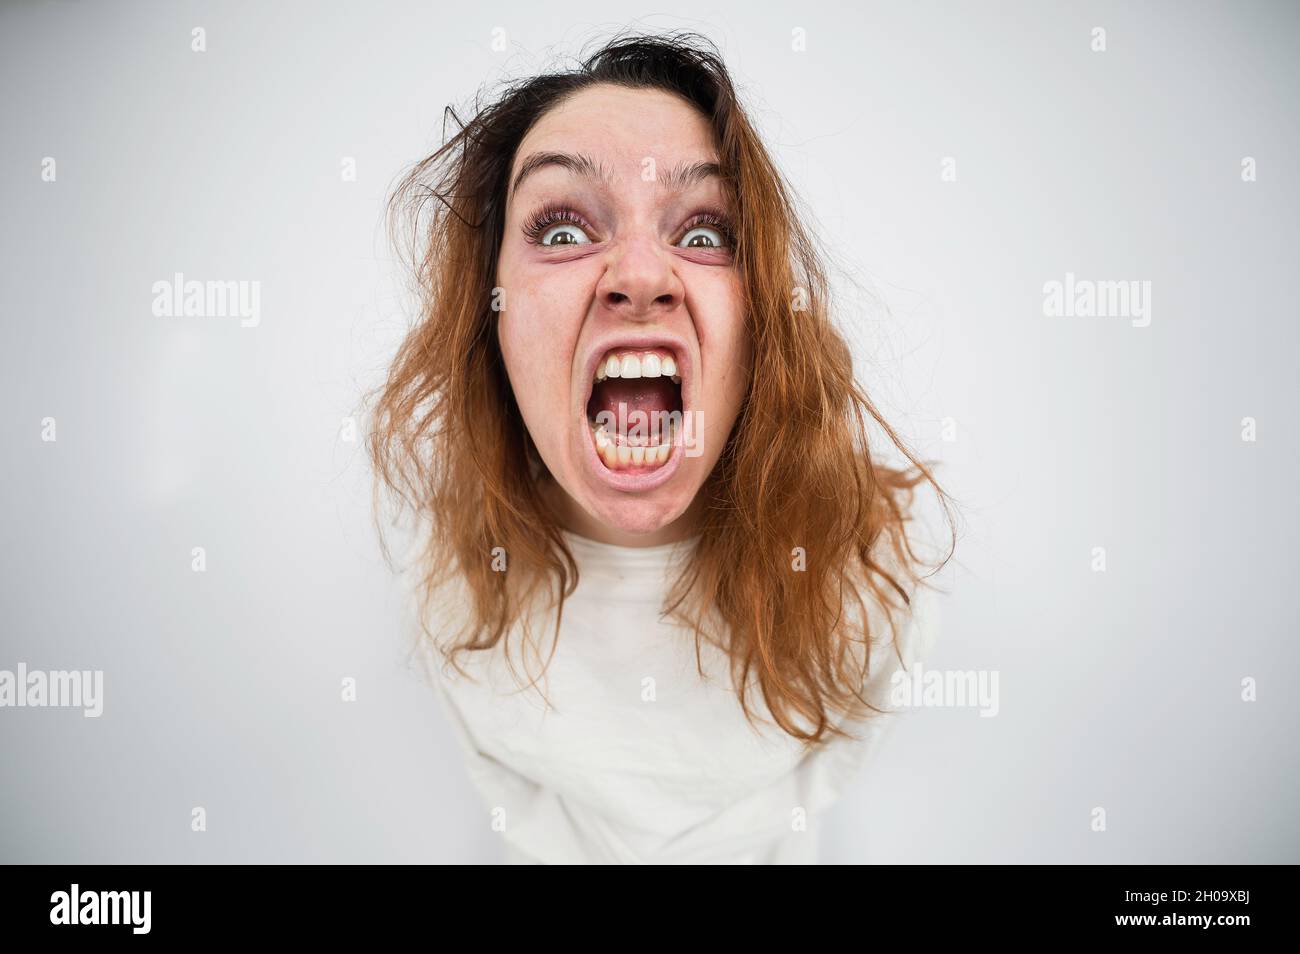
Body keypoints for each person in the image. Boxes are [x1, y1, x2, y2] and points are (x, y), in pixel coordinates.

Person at [369, 30, 957, 864]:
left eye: (708, 231)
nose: (640, 275)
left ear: (764, 319)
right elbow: (512, 797)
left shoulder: (870, 568)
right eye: (564, 229)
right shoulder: (450, 581)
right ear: (490, 309)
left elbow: (829, 771)